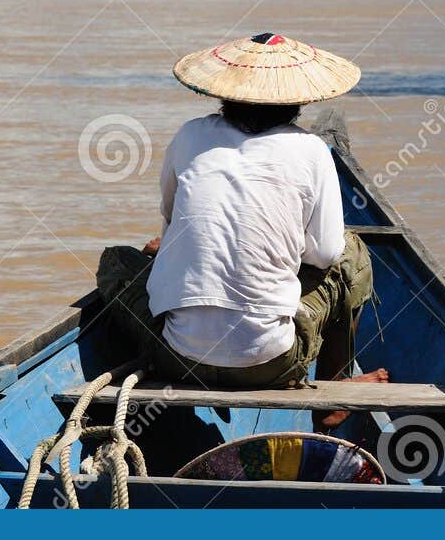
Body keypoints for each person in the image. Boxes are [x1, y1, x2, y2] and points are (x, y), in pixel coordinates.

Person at [96, 32, 386, 415]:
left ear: (225, 94)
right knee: (352, 253)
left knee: (116, 261)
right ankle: (333, 389)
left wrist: (169, 249)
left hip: (177, 360)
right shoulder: (313, 150)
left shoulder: (190, 135)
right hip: (272, 364)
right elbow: (326, 253)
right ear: (296, 102)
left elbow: (171, 220)